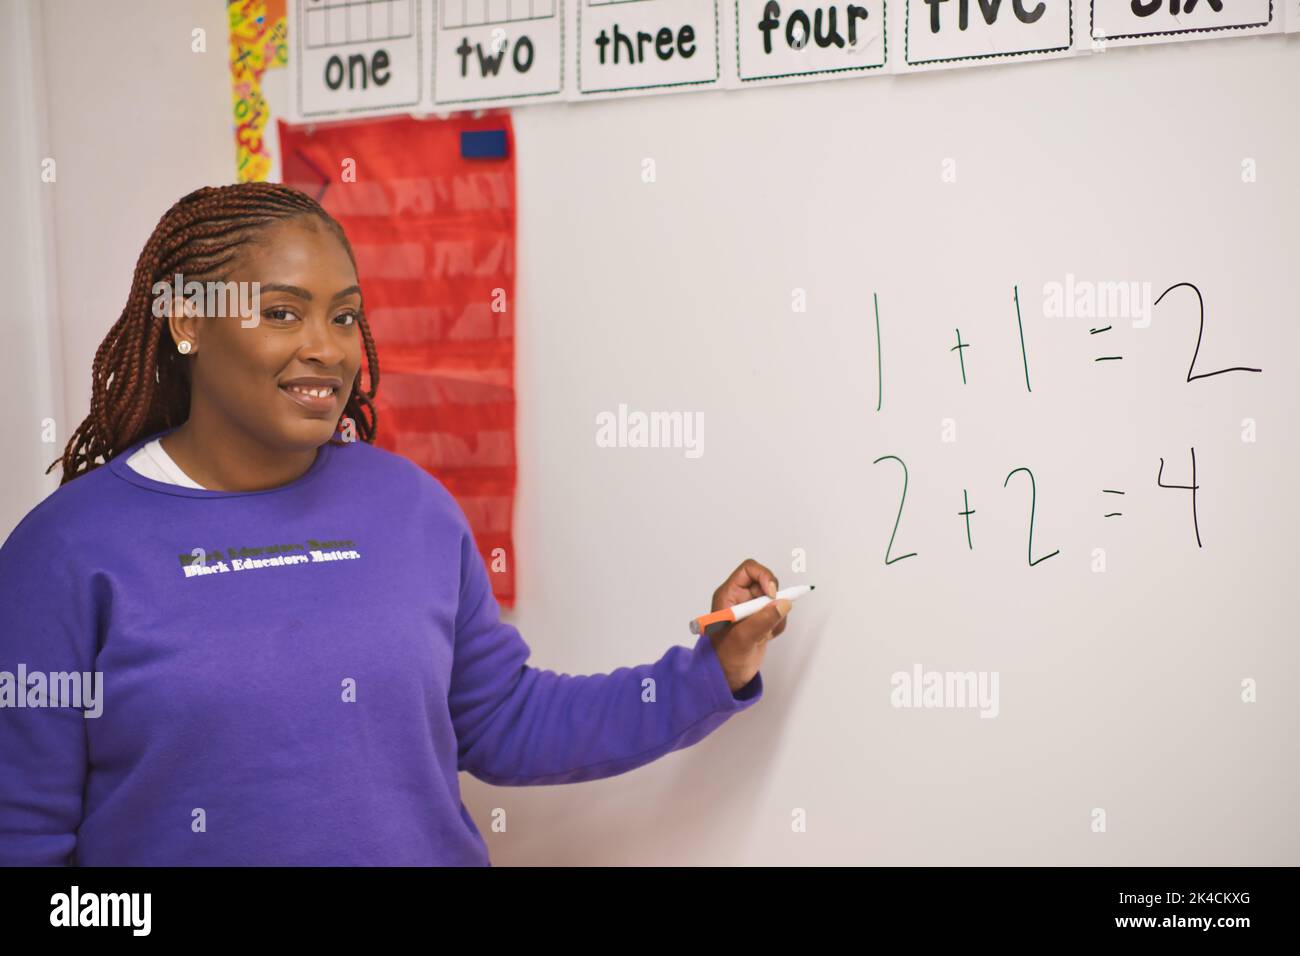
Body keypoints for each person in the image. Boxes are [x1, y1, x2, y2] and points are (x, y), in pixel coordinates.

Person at [0, 182, 793, 866]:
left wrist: (710, 669)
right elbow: (22, 833)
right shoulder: (67, 553)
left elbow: (504, 720)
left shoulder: (409, 508)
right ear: (186, 323)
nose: (326, 350)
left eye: (344, 318)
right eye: (282, 313)